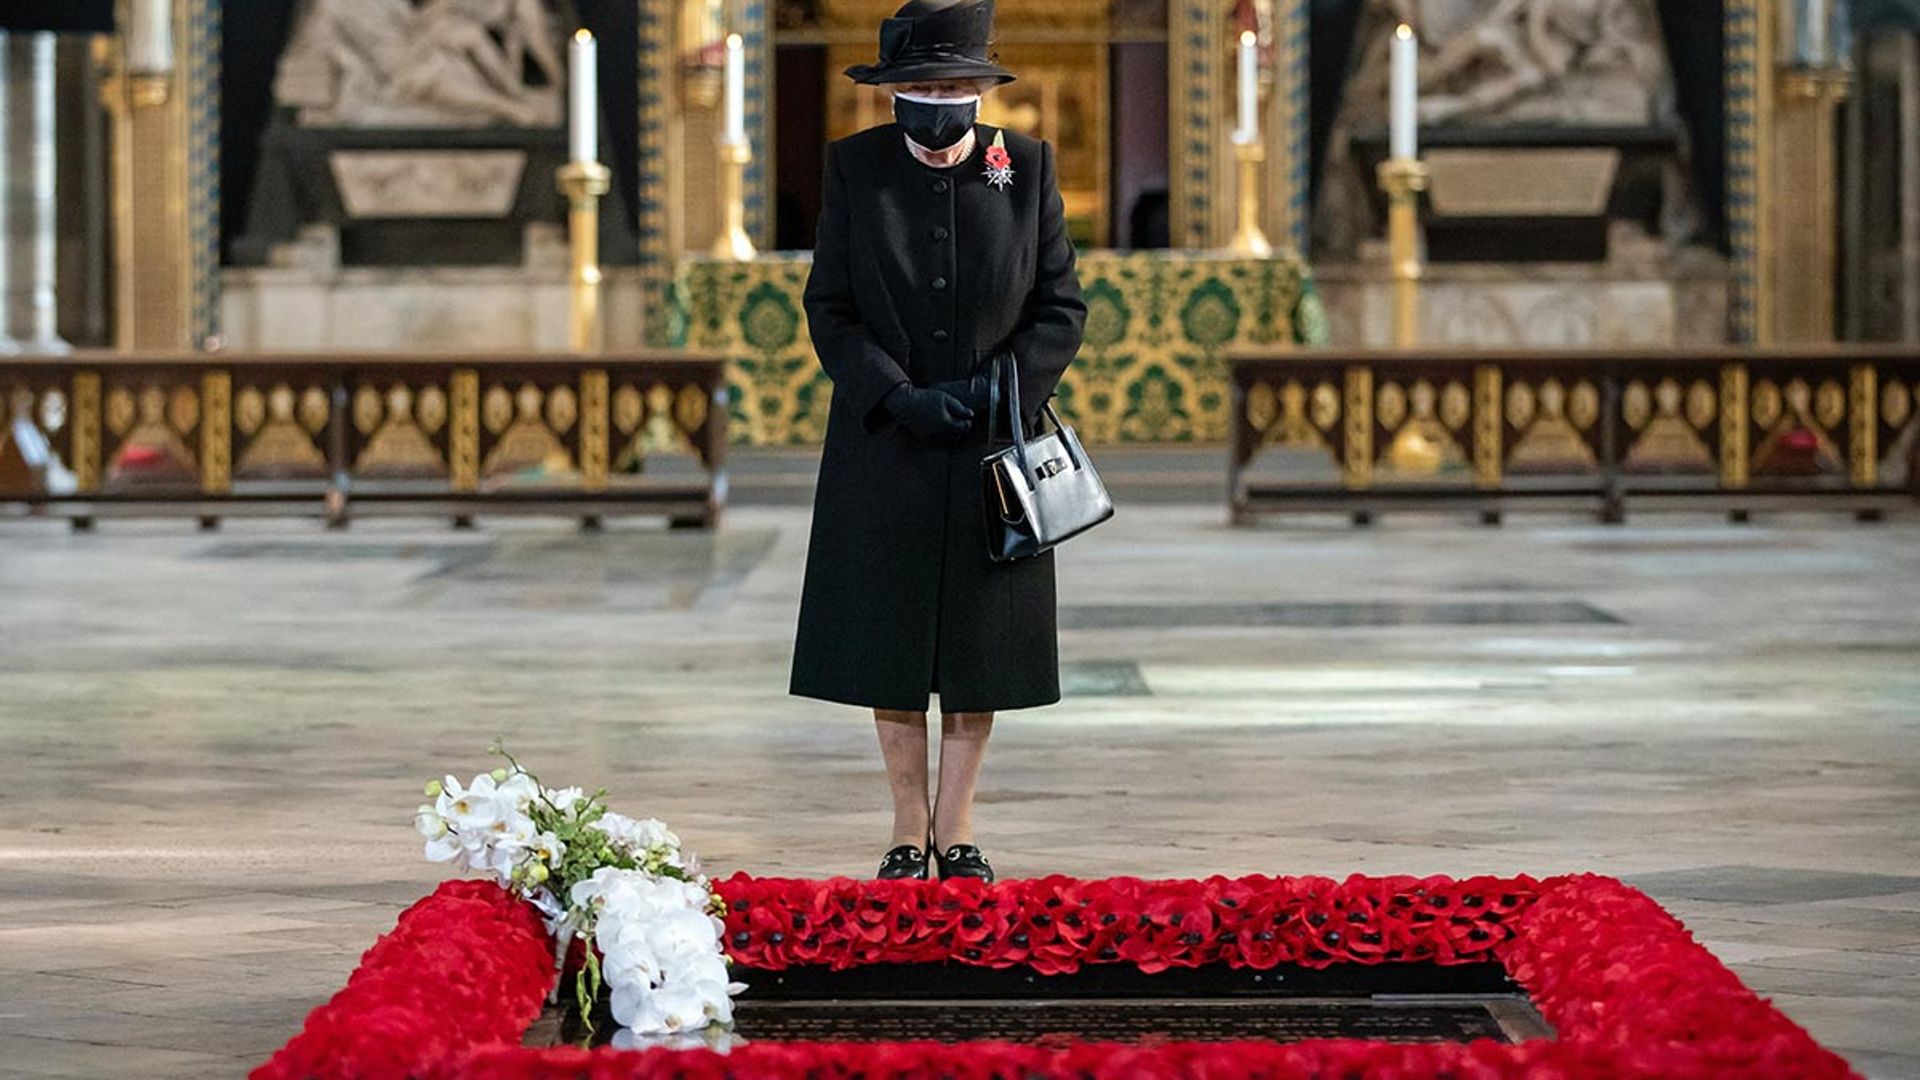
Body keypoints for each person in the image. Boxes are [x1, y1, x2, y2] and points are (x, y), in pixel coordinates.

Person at [787, 0, 1086, 883]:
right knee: (891, 637)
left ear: (981, 93)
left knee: (980, 648)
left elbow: (1060, 306)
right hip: (888, 443)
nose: (939, 101)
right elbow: (830, 307)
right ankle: (903, 826)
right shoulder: (855, 169)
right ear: (892, 97)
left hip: (995, 446)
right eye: (921, 87)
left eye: (955, 86)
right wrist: (898, 395)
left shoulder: (1025, 167)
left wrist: (1001, 391)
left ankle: (956, 831)